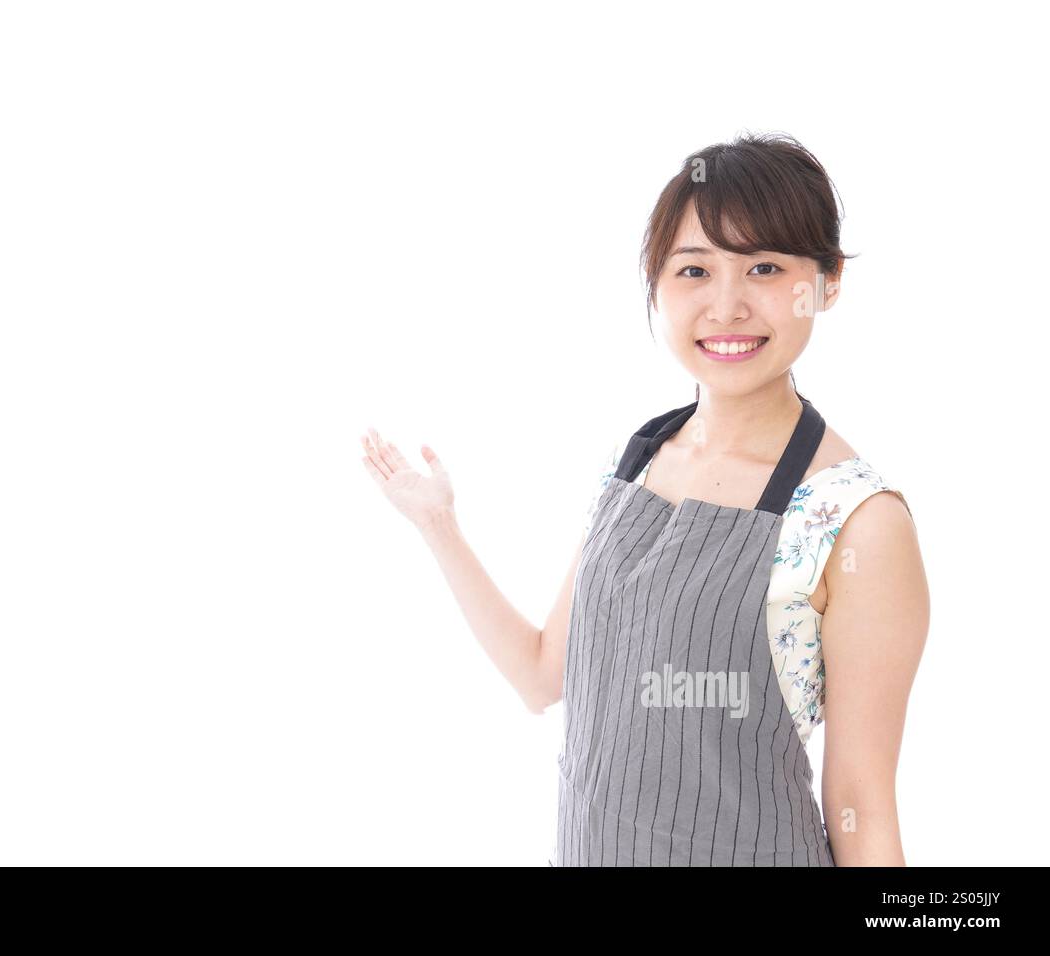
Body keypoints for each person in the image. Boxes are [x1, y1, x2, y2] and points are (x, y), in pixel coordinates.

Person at [359, 132, 929, 867]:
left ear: (825, 283)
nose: (727, 305)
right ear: (656, 284)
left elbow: (862, 810)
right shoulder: (634, 466)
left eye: (764, 267)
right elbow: (541, 677)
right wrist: (439, 525)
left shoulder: (857, 521)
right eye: (695, 269)